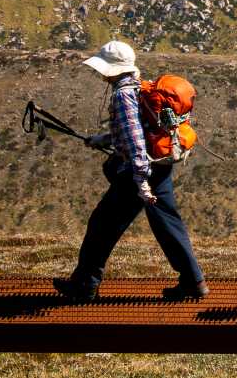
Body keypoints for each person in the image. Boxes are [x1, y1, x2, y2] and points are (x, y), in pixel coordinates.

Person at [53, 40, 208, 301]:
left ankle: (84, 284)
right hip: (159, 166)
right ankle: (193, 281)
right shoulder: (138, 86)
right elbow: (140, 130)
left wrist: (140, 182)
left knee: (102, 225)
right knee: (168, 224)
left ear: (110, 69)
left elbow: (135, 139)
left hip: (138, 173)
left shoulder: (122, 95)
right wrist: (103, 139)